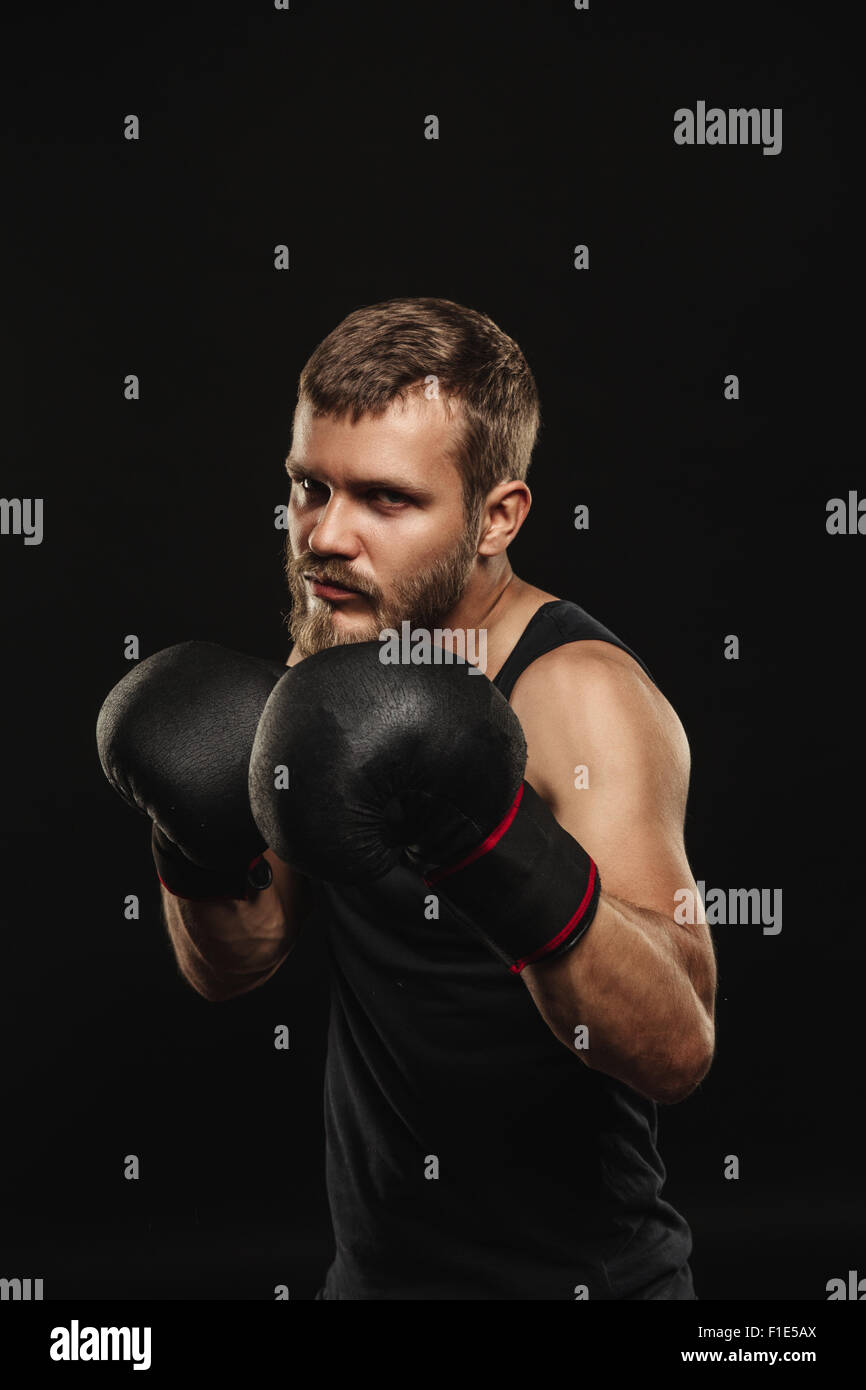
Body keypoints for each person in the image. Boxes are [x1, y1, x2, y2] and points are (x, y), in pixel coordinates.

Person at [97, 297, 716, 1300]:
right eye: (309, 487)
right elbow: (239, 960)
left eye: (385, 500)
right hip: (375, 1282)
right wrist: (196, 842)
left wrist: (492, 840)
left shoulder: (578, 694)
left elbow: (677, 1045)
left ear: (495, 516)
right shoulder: (332, 654)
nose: (325, 536)